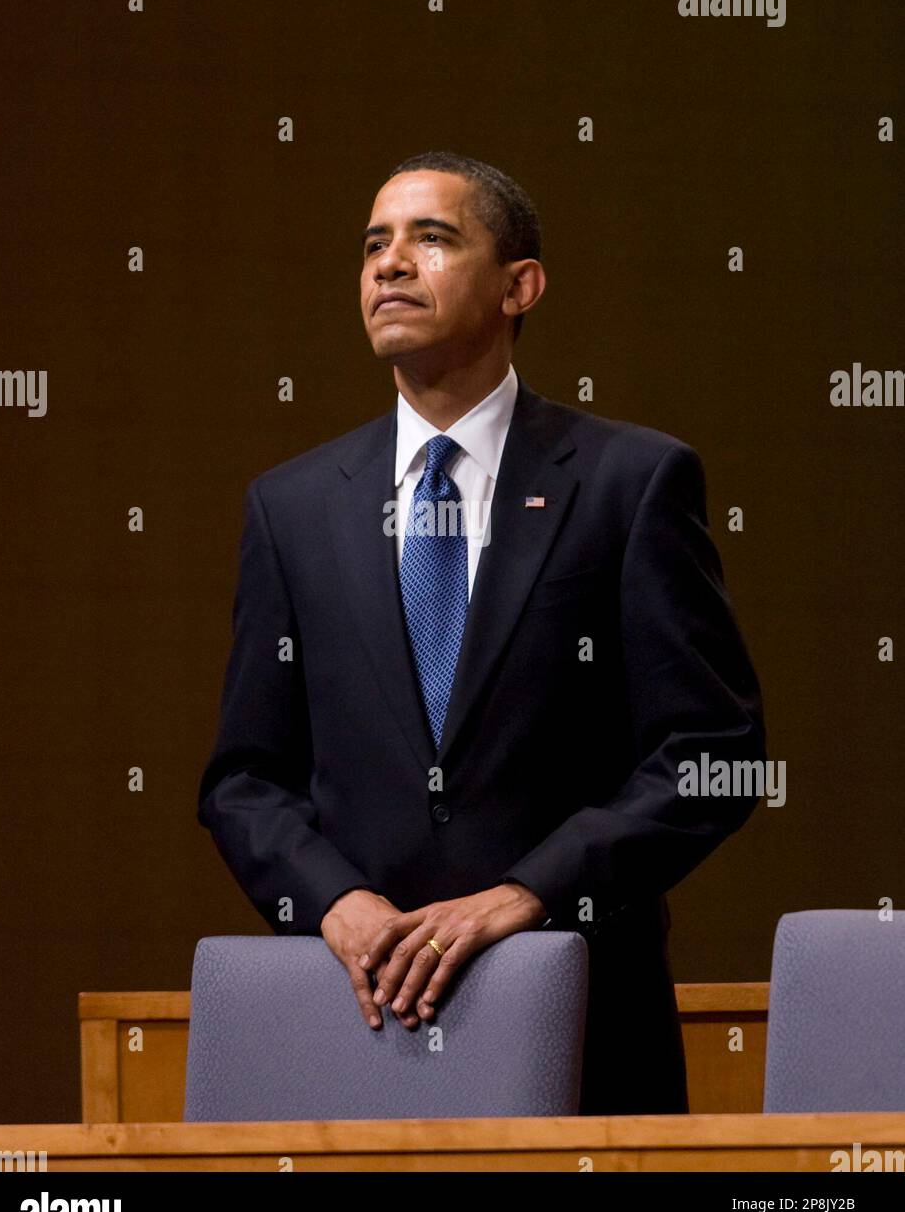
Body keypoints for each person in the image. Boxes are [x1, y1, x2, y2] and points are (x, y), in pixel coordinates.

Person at [197, 150, 766, 1114]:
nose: (389, 263)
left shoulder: (631, 483)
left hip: (583, 1025)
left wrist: (525, 894)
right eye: (375, 243)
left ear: (520, 286)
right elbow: (245, 779)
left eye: (431, 238)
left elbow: (712, 756)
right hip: (355, 1021)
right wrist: (336, 903)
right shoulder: (291, 509)